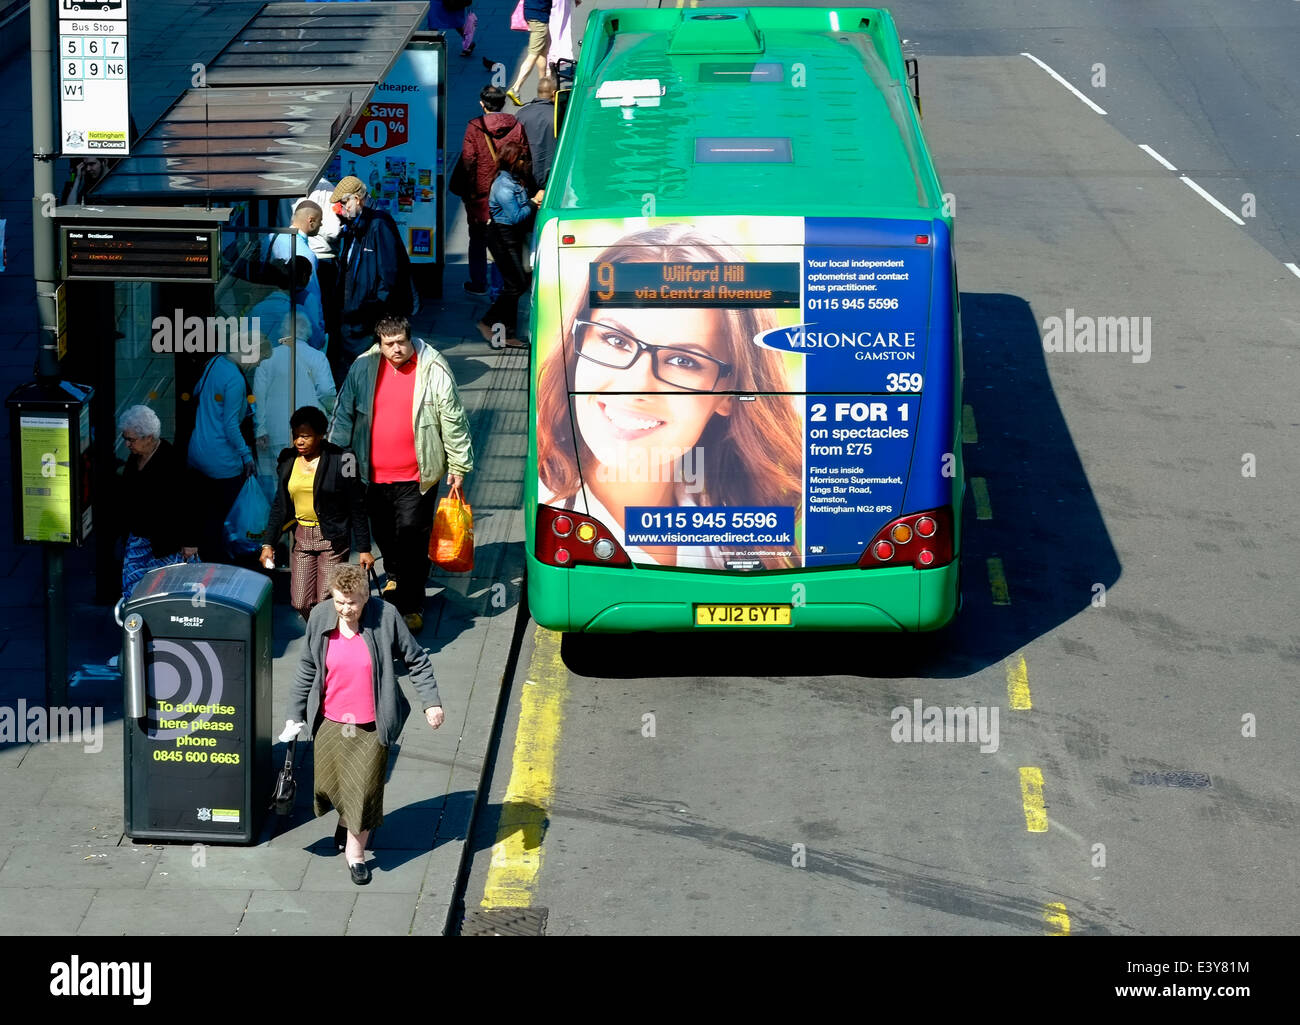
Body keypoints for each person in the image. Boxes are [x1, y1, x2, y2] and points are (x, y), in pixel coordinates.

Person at [536, 225, 803, 569]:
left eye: (683, 361)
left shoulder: (742, 525)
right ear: (579, 340)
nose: (636, 386)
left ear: (729, 393)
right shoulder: (542, 506)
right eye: (616, 340)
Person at [281, 563, 445, 885]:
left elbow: (417, 660)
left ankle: (355, 854)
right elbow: (306, 668)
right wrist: (294, 714)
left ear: (365, 597)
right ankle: (347, 818)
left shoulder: (386, 617)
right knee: (331, 787)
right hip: (330, 721)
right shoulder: (320, 617)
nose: (346, 609)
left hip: (372, 725)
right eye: (340, 602)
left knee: (364, 791)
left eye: (353, 602)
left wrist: (432, 703)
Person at [329, 315, 474, 632]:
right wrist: (333, 456)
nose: (396, 349)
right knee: (384, 533)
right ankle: (395, 575)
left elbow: (453, 419)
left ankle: (411, 603)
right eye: (389, 344)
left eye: (401, 342)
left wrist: (459, 465)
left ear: (411, 340)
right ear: (379, 344)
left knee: (411, 535)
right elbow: (343, 413)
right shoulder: (363, 367)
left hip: (417, 477)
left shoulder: (433, 369)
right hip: (372, 476)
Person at [259, 407, 370, 621]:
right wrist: (268, 544)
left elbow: (356, 505)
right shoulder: (287, 459)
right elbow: (279, 504)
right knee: (300, 601)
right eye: (296, 435)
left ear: (321, 435)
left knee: (326, 599)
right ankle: (321, 629)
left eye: (306, 436)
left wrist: (364, 548)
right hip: (301, 537)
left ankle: (327, 644)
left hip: (332, 538)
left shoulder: (343, 459)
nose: (299, 441)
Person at [332, 175, 413, 385]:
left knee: (364, 372)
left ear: (357, 199)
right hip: (356, 313)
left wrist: (373, 308)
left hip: (367, 316)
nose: (341, 209)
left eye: (343, 203)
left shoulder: (378, 225)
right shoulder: (356, 225)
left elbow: (390, 274)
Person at [117, 405, 200, 607]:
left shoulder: (172, 461)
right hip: (139, 537)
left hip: (165, 540)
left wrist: (189, 541)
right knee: (133, 587)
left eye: (131, 440)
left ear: (149, 437)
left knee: (165, 589)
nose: (127, 444)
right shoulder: (135, 458)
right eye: (125, 438)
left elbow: (188, 504)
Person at [252, 315, 337, 493]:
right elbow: (328, 392)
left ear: (282, 332)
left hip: (276, 429)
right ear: (307, 333)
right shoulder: (317, 357)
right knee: (310, 480)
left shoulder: (268, 358)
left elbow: (258, 395)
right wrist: (330, 413)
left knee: (279, 482)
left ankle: (283, 518)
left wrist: (260, 429)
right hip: (309, 431)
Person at [460, 86, 529, 298]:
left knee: (478, 239)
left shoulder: (474, 127)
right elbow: (525, 155)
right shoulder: (516, 126)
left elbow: (468, 161)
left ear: (483, 104)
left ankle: (479, 283)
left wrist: (469, 191)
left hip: (480, 195)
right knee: (503, 241)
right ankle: (501, 286)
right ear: (503, 103)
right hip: (507, 189)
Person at [188, 351, 256, 563]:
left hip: (198, 450)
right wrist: (246, 455)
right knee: (227, 517)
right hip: (221, 459)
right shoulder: (235, 379)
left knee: (204, 512)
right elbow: (230, 425)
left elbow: (197, 390)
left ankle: (205, 559)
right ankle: (225, 563)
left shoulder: (215, 362)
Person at [478, 142, 542, 348]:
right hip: (502, 237)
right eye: (521, 159)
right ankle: (489, 323)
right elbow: (516, 216)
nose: (526, 162)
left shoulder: (515, 179)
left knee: (515, 285)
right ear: (512, 161)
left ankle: (506, 332)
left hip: (511, 236)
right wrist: (533, 202)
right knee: (515, 285)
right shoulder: (504, 186)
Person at [507, 0, 553, 106]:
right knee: (533, 54)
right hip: (539, 16)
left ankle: (543, 84)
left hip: (532, 12)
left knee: (544, 48)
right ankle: (516, 88)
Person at [514, 76, 557, 188]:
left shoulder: (521, 114)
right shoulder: (559, 116)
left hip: (527, 176)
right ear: (554, 93)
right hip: (552, 175)